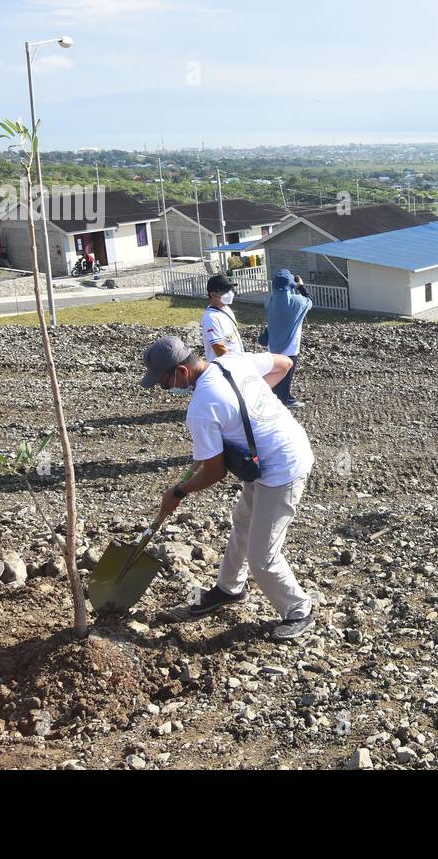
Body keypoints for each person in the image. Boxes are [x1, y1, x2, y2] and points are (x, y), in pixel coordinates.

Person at [139, 335, 317, 640]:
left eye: (164, 382)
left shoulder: (201, 408)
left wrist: (178, 492)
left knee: (263, 558)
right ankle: (229, 588)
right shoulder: (233, 359)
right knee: (243, 522)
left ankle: (299, 610)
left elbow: (215, 472)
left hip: (282, 469)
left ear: (182, 371)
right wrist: (246, 408)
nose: (164, 389)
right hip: (271, 456)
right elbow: (284, 364)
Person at [264, 269, 313, 408]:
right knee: (286, 374)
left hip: (272, 344)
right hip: (290, 346)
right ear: (291, 284)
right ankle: (283, 401)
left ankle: (283, 397)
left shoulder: (270, 299)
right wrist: (301, 286)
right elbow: (309, 301)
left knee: (275, 372)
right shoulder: (297, 302)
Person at [201, 274, 244, 363]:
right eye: (225, 290)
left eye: (230, 289)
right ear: (213, 294)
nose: (230, 293)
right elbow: (219, 348)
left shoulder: (226, 309)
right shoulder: (210, 318)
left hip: (237, 362)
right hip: (224, 368)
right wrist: (235, 366)